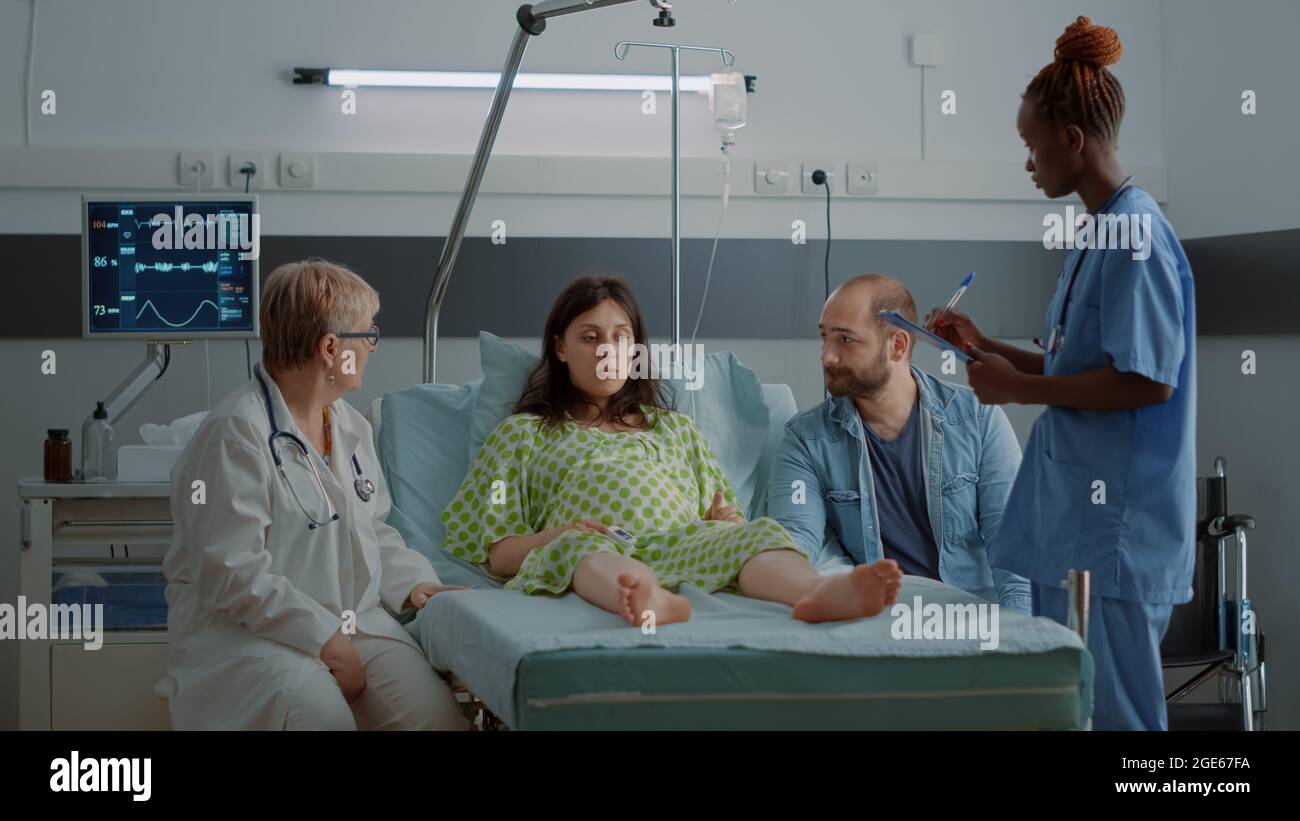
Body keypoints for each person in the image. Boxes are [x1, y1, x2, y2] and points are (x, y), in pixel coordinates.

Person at [925, 17, 1196, 730]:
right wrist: (987, 345)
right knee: (1072, 713)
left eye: (1031, 145)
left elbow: (1149, 382)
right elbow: (1080, 368)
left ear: (1072, 140)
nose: (1029, 163)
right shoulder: (1098, 231)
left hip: (1117, 535)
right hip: (1075, 530)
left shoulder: (1135, 236)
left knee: (1121, 724)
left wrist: (1021, 390)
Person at [441, 275, 903, 626]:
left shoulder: (675, 430)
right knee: (584, 549)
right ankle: (647, 599)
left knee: (755, 534)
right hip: (591, 546)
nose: (608, 351)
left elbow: (724, 518)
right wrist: (557, 534)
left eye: (620, 337)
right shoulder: (520, 435)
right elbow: (500, 555)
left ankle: (814, 592)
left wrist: (728, 524)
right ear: (560, 348)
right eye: (589, 337)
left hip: (680, 544)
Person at [165, 258, 468, 730]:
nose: (371, 345)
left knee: (435, 720)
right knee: (322, 717)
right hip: (251, 633)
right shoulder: (235, 436)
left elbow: (372, 528)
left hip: (353, 620)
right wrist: (323, 637)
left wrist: (412, 584)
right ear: (331, 348)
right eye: (367, 334)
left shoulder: (349, 425)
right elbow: (232, 572)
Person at [770, 275, 1030, 613]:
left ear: (897, 345)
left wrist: (1021, 638)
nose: (827, 356)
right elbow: (794, 542)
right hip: (877, 622)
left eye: (845, 340)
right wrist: (750, 545)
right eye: (824, 337)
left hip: (968, 615)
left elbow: (1014, 550)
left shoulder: (977, 419)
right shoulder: (806, 440)